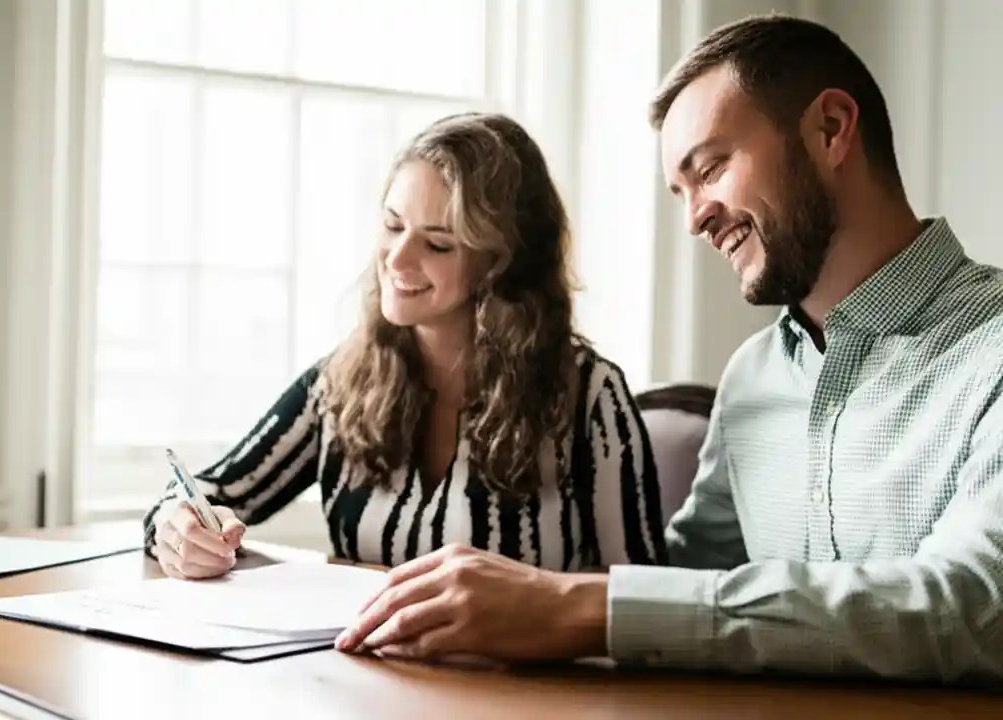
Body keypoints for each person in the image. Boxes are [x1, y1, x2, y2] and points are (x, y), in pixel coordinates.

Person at [336, 14, 1003, 684]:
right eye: (681, 193)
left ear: (829, 130)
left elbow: (974, 609)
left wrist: (579, 606)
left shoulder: (990, 349)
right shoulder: (755, 379)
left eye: (710, 168)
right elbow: (685, 584)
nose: (695, 219)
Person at [142, 112, 667, 579]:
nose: (396, 258)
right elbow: (212, 490)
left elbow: (642, 595)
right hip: (361, 681)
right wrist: (177, 527)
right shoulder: (340, 381)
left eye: (438, 243)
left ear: (504, 261)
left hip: (521, 688)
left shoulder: (589, 396)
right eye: (392, 225)